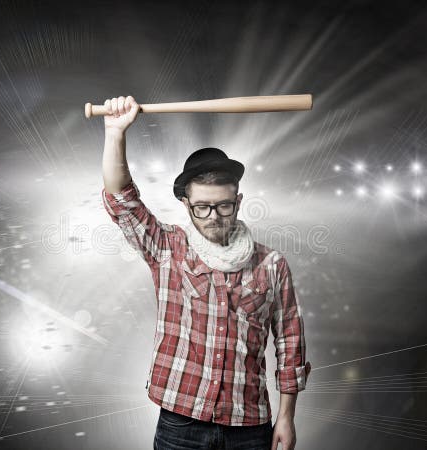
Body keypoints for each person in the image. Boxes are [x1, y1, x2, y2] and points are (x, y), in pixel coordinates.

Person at [101, 95, 310, 450]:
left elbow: (290, 346)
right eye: (202, 207)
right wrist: (115, 132)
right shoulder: (167, 248)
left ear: (239, 201)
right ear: (186, 204)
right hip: (181, 423)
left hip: (249, 426)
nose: (214, 216)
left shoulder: (272, 265)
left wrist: (286, 417)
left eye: (224, 205)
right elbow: (122, 199)